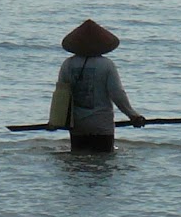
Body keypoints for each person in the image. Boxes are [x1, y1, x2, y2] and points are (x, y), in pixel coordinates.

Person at [53, 19, 146, 152]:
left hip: (78, 126)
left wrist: (56, 121)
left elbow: (61, 96)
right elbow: (117, 94)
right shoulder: (107, 65)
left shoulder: (68, 64)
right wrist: (132, 115)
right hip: (101, 125)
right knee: (102, 164)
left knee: (79, 163)